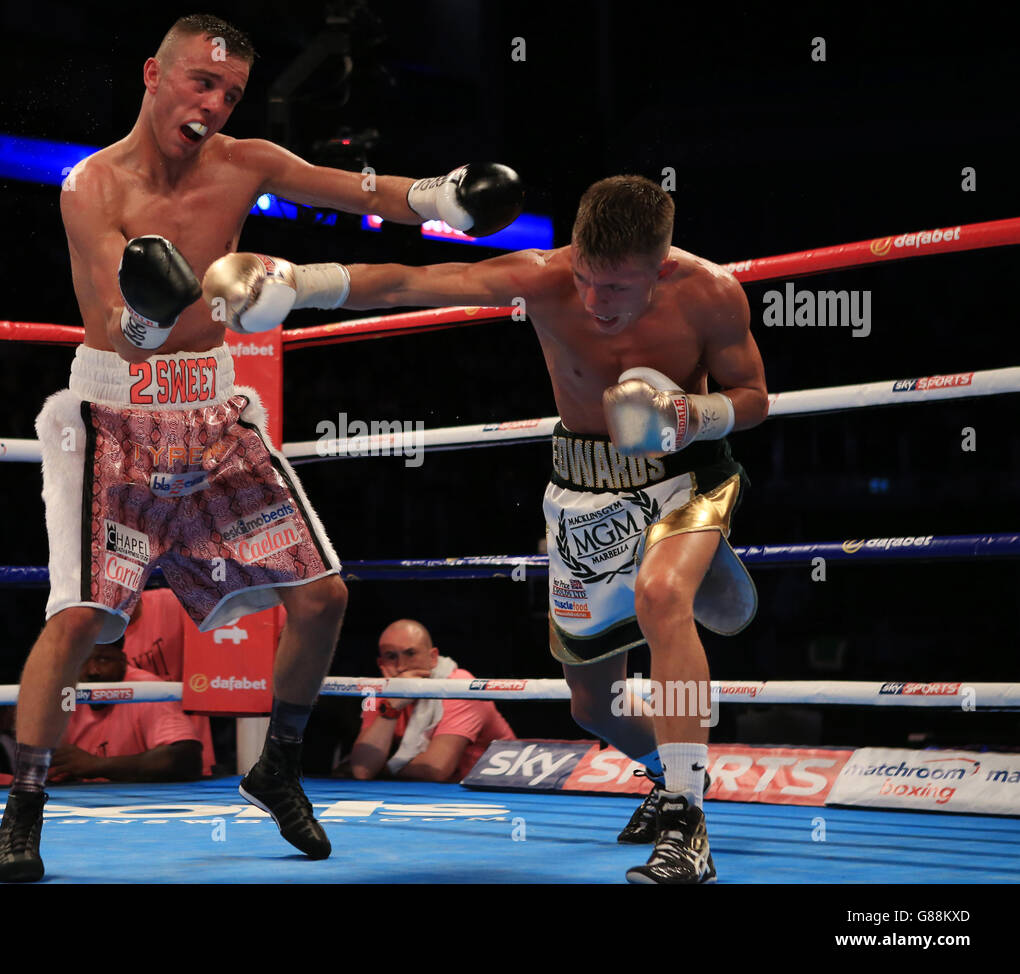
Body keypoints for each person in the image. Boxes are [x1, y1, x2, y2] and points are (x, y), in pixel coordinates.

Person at [0, 13, 521, 883]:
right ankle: (26, 807)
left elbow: (355, 189)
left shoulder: (246, 162)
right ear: (153, 72)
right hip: (115, 419)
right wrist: (164, 302)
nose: (214, 102)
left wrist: (441, 199)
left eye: (230, 91)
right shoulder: (89, 186)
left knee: (322, 597)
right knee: (81, 615)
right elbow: (121, 321)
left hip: (211, 411)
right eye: (201, 81)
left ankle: (277, 763)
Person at [209, 175, 768, 884]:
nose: (596, 304)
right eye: (588, 280)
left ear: (661, 266)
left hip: (688, 473)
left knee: (664, 596)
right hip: (583, 488)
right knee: (593, 704)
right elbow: (414, 283)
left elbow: (752, 398)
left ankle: (689, 822)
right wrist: (296, 280)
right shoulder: (542, 277)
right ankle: (669, 773)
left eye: (618, 289)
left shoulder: (712, 292)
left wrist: (692, 414)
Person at [347, 619, 515, 782]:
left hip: (500, 790)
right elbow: (362, 770)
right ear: (381, 663)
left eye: (410, 653)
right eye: (391, 656)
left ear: (433, 657)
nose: (401, 666)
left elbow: (435, 769)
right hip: (435, 793)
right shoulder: (380, 691)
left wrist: (382, 769)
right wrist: (393, 705)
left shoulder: (460, 686)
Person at [51, 642, 201, 783]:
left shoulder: (146, 690)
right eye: (82, 659)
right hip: (86, 799)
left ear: (123, 661)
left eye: (103, 660)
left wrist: (97, 765)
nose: (92, 671)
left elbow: (186, 758)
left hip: (145, 800)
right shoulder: (66, 692)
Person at [121, 587, 219, 775]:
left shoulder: (173, 603)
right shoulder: (87, 629)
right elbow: (66, 698)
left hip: (184, 745)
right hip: (120, 749)